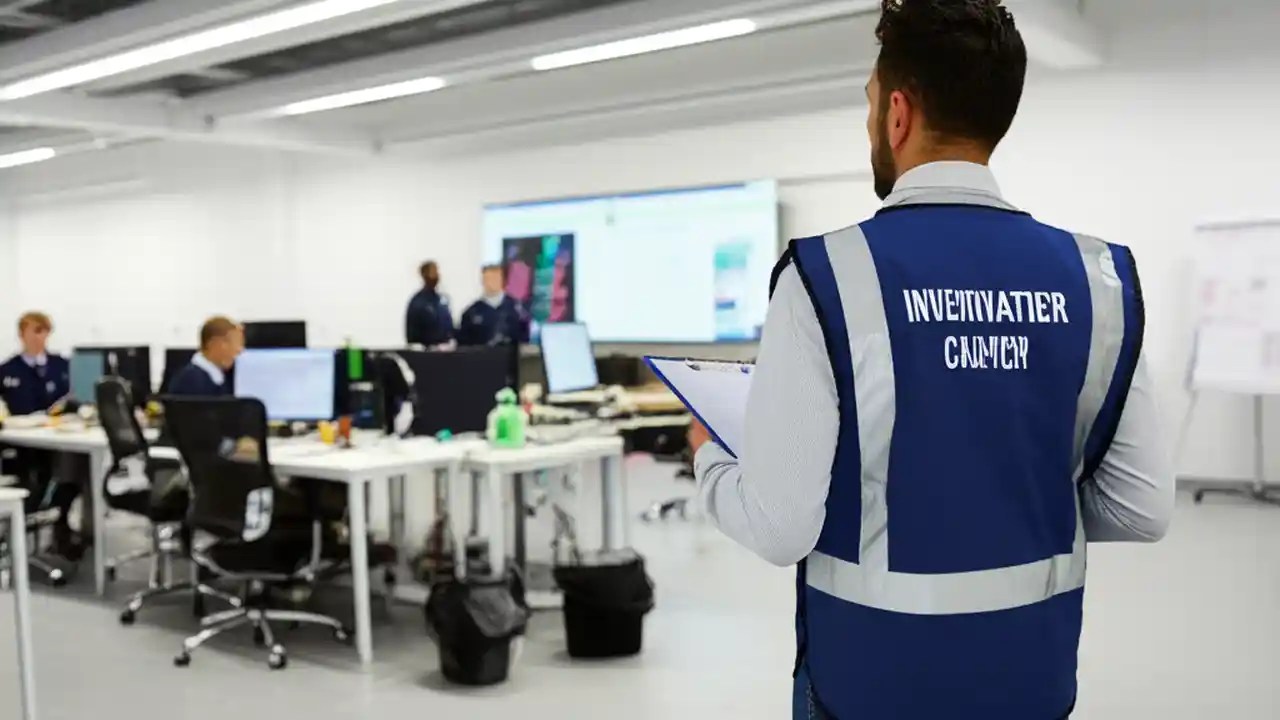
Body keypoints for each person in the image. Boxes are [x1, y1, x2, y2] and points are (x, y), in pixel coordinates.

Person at [689, 3, 1175, 718]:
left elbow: (780, 523)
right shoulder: (1098, 280)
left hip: (867, 684)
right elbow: (1144, 508)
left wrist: (707, 460)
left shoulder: (825, 276)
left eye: (867, 105)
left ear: (897, 113)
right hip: (1029, 680)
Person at [0, 312, 86, 557]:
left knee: (77, 470)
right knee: (39, 474)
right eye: (34, 331)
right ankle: (33, 520)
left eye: (44, 331)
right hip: (23, 444)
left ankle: (61, 524)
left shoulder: (60, 365)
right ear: (21, 334)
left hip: (60, 436)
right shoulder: (7, 370)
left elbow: (74, 399)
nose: (39, 337)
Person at [168, 316, 243, 396]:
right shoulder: (190, 381)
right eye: (232, 342)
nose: (239, 350)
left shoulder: (223, 378)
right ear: (213, 343)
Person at [458, 265, 531, 346]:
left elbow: (524, 339)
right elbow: (464, 344)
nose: (491, 282)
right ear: (482, 281)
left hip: (510, 357)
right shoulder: (471, 312)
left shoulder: (517, 309)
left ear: (502, 280)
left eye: (495, 278)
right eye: (487, 279)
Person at [405, 261, 455, 347]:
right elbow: (412, 331)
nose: (436, 275)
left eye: (437, 272)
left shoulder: (442, 299)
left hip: (445, 351)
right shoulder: (418, 301)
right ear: (425, 275)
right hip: (427, 352)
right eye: (433, 272)